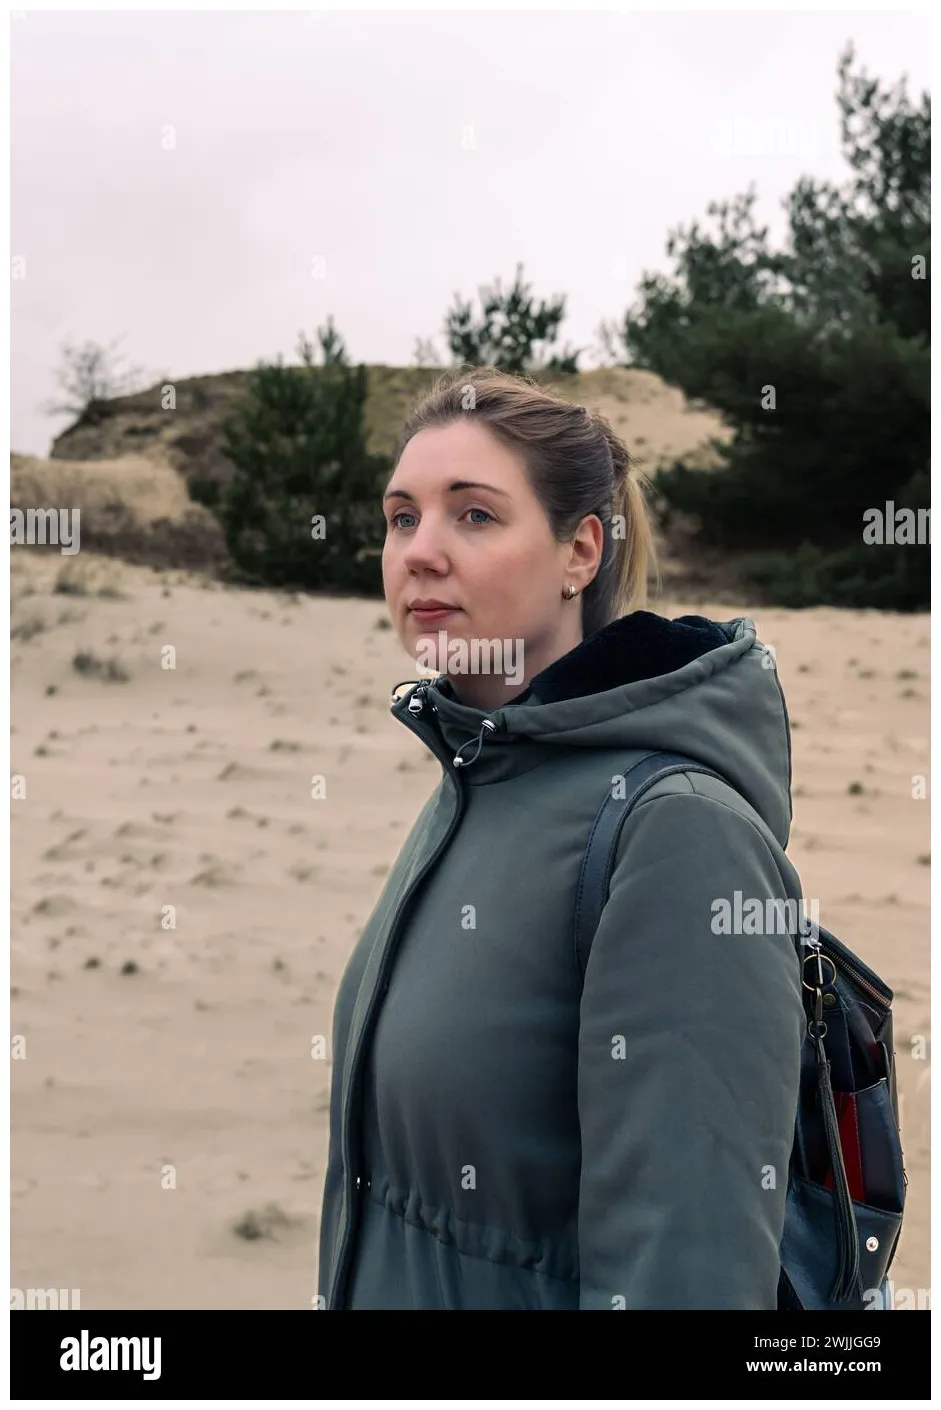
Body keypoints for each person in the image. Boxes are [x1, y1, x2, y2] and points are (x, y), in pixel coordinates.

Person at [317, 367, 806, 1310]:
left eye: (473, 516)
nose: (419, 552)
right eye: (400, 516)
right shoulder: (477, 775)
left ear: (581, 552)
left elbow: (685, 1275)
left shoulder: (679, 835)